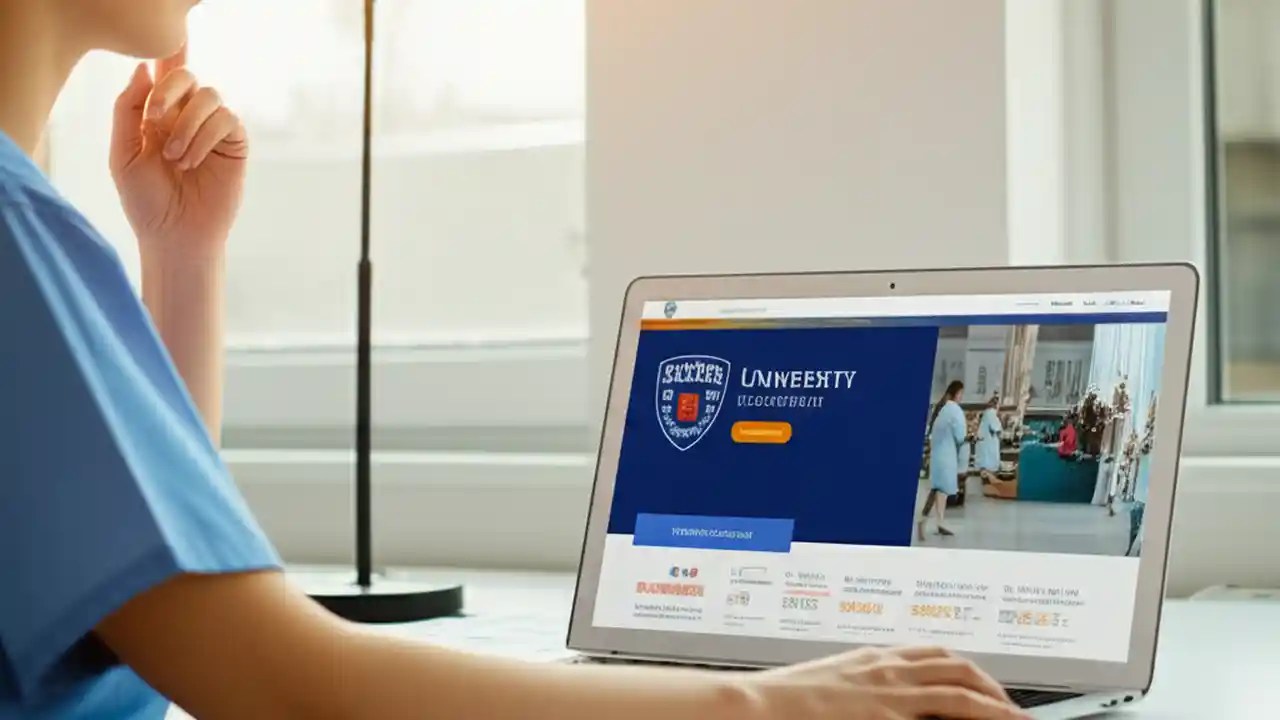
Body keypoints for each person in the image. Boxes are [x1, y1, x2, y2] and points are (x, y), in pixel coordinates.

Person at [0, 2, 1030, 719]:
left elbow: (177, 623)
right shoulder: (15, 230)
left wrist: (184, 260)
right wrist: (772, 701)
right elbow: (285, 690)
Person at [918, 381, 966, 540]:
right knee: (941, 490)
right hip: (947, 457)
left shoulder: (942, 409)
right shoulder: (955, 410)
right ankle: (924, 519)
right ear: (958, 393)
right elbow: (960, 436)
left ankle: (940, 522)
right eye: (961, 394)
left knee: (939, 490)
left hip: (938, 456)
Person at [974, 395, 1002, 483]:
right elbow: (997, 428)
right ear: (997, 406)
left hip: (984, 448)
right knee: (988, 472)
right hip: (988, 451)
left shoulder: (986, 414)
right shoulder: (991, 414)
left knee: (985, 470)